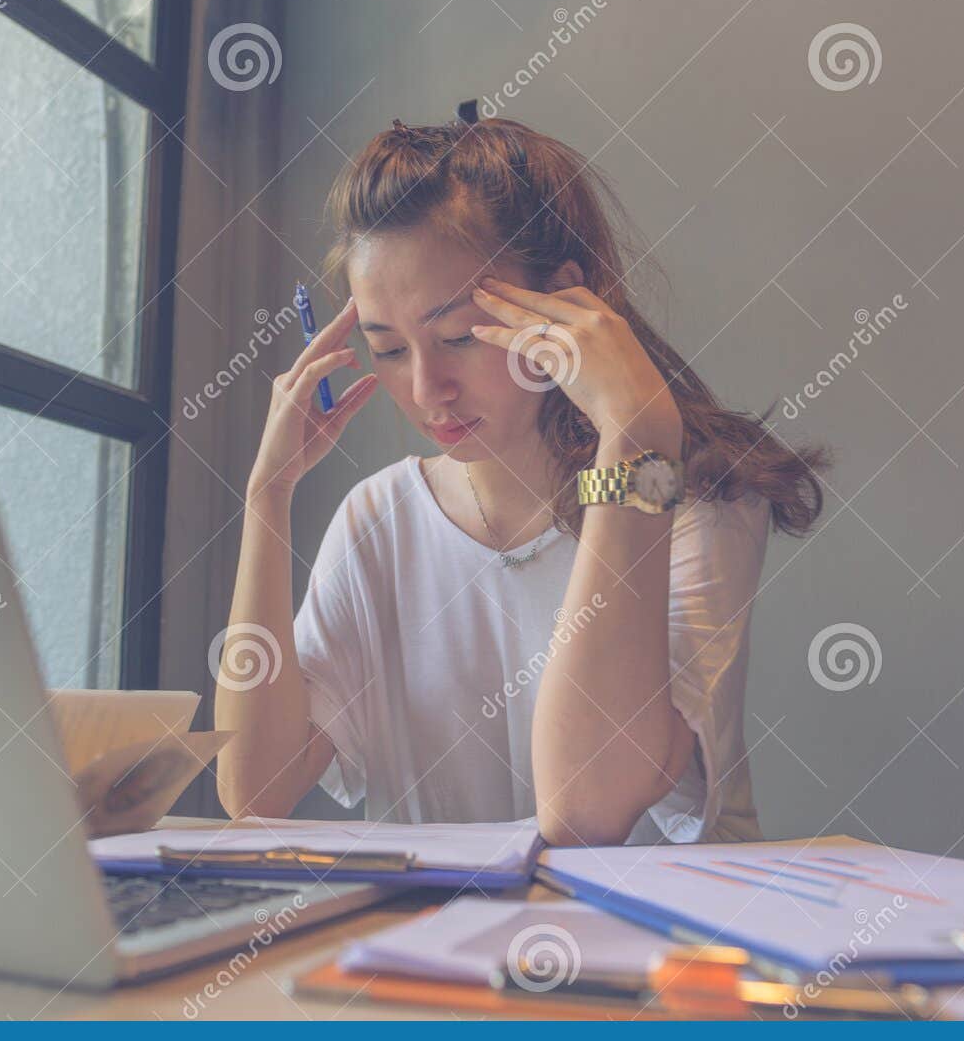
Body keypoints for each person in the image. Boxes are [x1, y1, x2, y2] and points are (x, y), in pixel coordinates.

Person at [213, 117, 829, 846]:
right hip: (439, 955)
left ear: (565, 306)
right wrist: (267, 497)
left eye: (459, 338)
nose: (426, 388)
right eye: (387, 349)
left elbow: (582, 808)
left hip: (659, 955)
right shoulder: (377, 517)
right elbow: (254, 790)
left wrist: (633, 434)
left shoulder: (683, 494)